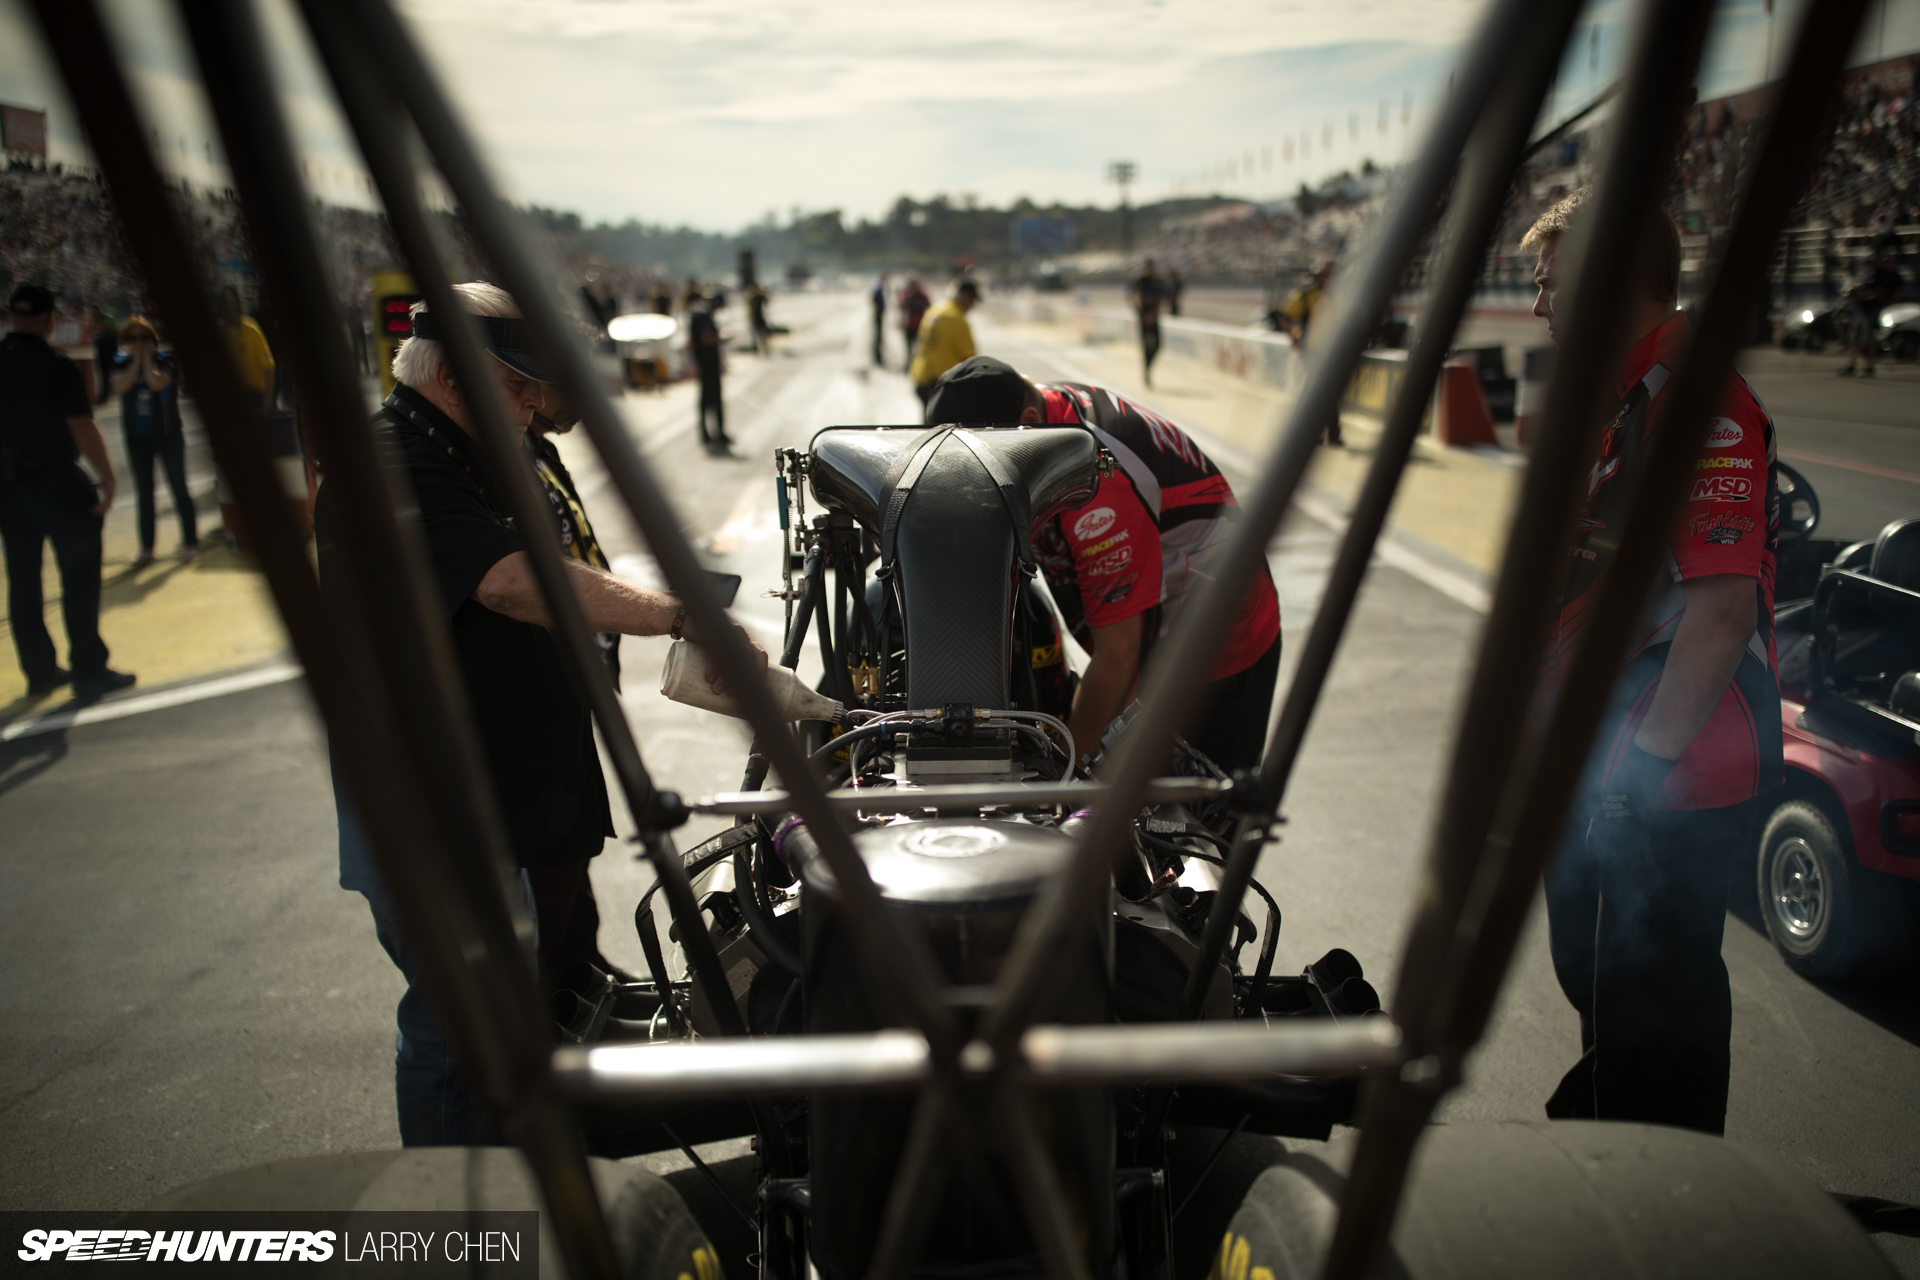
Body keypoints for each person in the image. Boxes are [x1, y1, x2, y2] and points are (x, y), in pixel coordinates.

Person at [315, 281, 763, 1145]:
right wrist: (679, 614)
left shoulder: (461, 449)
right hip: (422, 798)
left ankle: (501, 1166)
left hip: (480, 789)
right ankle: (453, 1202)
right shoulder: (392, 461)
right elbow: (510, 582)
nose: (531, 407)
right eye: (517, 387)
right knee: (461, 1022)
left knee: (504, 1002)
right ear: (451, 377)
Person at [1524, 189, 1781, 1136]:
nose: (1540, 305)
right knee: (1601, 985)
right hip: (1601, 754)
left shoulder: (1695, 399)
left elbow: (1721, 610)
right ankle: (1617, 1162)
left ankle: (1666, 1191)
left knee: (1655, 1016)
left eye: (1552, 283)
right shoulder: (1624, 394)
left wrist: (1641, 773)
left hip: (1664, 771)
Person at [923, 355, 1281, 772]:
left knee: (1191, 804)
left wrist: (1067, 776)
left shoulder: (1098, 480)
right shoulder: (1039, 420)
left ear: (1028, 422)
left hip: (1218, 651)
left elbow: (1119, 658)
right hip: (1151, 628)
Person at [0, 284, 135, 700]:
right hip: (57, 482)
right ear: (49, 320)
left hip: (9, 487)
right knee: (78, 577)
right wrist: (107, 477)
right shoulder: (56, 366)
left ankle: (40, 672)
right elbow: (82, 427)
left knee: (23, 584)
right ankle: (88, 672)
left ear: (12, 317)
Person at [108, 315, 198, 567]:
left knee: (178, 486)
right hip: (137, 438)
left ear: (153, 339)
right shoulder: (119, 362)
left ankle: (191, 542)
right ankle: (147, 548)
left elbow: (157, 383)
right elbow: (119, 387)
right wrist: (136, 362)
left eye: (144, 338)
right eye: (133, 338)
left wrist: (147, 360)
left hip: (168, 434)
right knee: (145, 492)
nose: (138, 343)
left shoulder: (166, 360)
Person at [1280, 265, 1340, 445]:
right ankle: (1325, 433)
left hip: (1333, 350)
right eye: (1327, 274)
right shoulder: (1306, 295)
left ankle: (1324, 433)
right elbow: (1284, 314)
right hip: (1312, 350)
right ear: (1320, 276)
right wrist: (1293, 337)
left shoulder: (1341, 294)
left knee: (1324, 391)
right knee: (1321, 390)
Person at [907, 279, 980, 406]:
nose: (972, 306)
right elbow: (970, 358)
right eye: (972, 301)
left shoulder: (935, 310)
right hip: (942, 382)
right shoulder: (957, 319)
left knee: (927, 417)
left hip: (922, 375)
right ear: (966, 298)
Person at [1840, 252, 1904, 377]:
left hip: (1872, 311)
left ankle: (1870, 366)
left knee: (1870, 340)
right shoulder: (1868, 275)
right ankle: (1852, 365)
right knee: (1854, 339)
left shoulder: (1881, 275)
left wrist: (1863, 297)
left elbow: (1880, 294)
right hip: (1862, 310)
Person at [218, 288, 276, 413]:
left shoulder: (252, 330)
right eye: (227, 310)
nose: (231, 314)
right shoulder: (219, 331)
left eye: (233, 309)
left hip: (254, 395)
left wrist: (267, 398)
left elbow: (269, 367)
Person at [688, 290, 730, 450]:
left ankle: (710, 434)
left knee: (707, 401)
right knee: (712, 400)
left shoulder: (699, 313)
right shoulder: (704, 315)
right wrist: (722, 338)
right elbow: (706, 338)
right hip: (708, 365)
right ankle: (715, 434)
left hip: (705, 364)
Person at [1128, 258, 1168, 387]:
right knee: (1145, 346)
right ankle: (1146, 372)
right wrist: (1139, 312)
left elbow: (1162, 298)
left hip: (1153, 316)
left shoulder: (1158, 281)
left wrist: (1153, 314)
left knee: (1158, 345)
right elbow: (1133, 296)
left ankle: (1148, 368)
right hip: (1143, 316)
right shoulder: (1141, 281)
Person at [897, 274, 931, 369]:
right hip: (909, 326)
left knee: (918, 348)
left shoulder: (922, 296)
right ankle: (909, 364)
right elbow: (901, 309)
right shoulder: (907, 296)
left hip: (919, 326)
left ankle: (917, 365)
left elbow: (929, 308)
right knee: (908, 348)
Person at [90, 305, 118, 405]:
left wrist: (103, 327)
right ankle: (107, 393)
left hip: (108, 346)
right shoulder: (94, 319)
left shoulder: (106, 318)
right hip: (101, 346)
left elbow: (112, 329)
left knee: (108, 370)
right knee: (103, 372)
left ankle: (107, 394)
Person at [870, 274, 888, 367]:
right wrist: (878, 310)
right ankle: (877, 358)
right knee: (878, 336)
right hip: (878, 315)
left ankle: (878, 357)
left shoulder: (878, 287)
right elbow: (874, 299)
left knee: (878, 336)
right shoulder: (879, 288)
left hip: (878, 314)